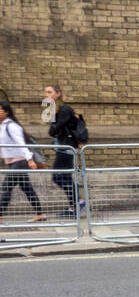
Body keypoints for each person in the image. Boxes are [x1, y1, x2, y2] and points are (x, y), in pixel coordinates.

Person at [0, 101, 46, 222]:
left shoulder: (12, 126)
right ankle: (40, 214)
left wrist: (30, 160)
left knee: (6, 187)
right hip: (13, 162)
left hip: (19, 161)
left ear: (6, 112)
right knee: (26, 188)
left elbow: (21, 144)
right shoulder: (3, 126)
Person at [44, 85, 80, 217]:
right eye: (46, 92)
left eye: (49, 92)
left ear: (58, 94)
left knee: (57, 177)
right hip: (63, 148)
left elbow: (53, 130)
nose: (47, 95)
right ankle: (73, 207)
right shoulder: (58, 109)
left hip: (66, 149)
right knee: (65, 177)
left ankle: (78, 202)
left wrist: (54, 128)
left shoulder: (64, 109)